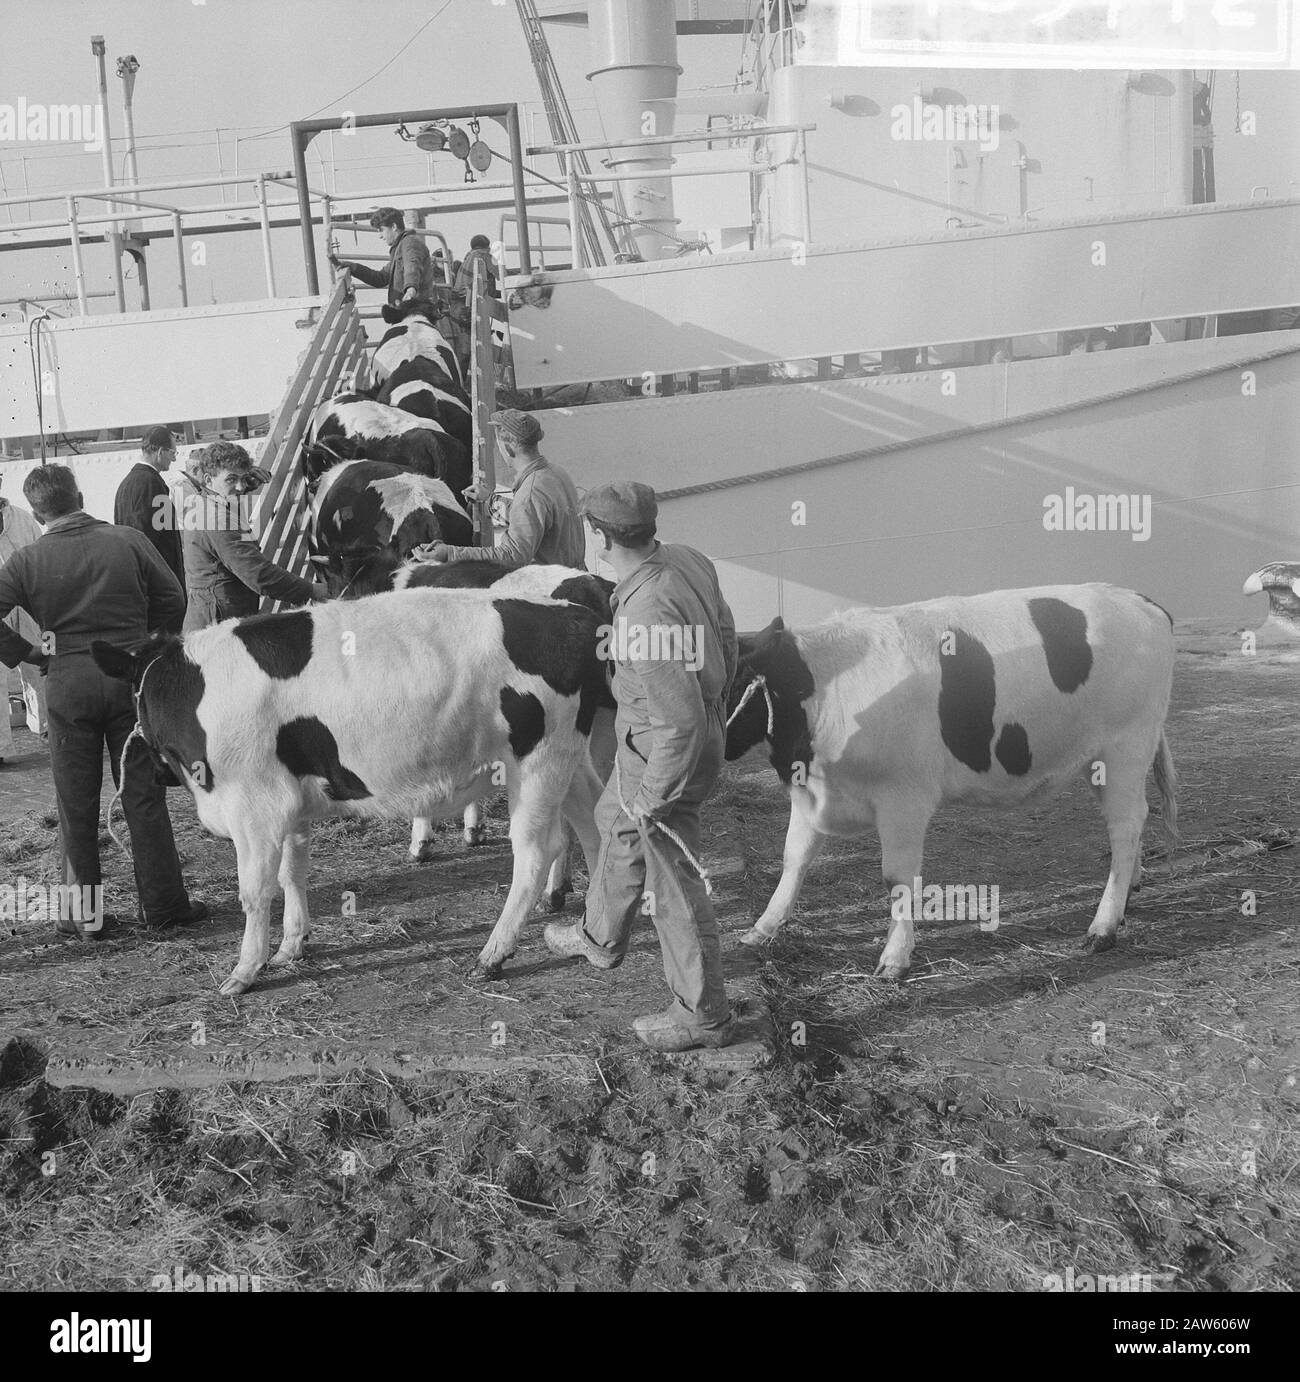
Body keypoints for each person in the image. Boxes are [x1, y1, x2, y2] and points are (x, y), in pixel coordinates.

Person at [543, 481, 739, 1052]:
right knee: (613, 819)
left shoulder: (647, 611)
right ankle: (600, 935)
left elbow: (677, 724)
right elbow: (725, 632)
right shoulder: (687, 560)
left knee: (673, 885)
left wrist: (656, 797)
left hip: (666, 750)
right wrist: (715, 693)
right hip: (663, 738)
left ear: (602, 535)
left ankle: (702, 1017)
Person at [0, 464, 207, 938]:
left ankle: (83, 917)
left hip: (67, 683)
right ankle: (164, 908)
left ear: (35, 510)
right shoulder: (128, 541)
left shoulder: (27, 559)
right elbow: (173, 597)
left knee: (74, 803)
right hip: (129, 679)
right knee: (143, 795)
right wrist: (145, 643)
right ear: (79, 493)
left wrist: (28, 652)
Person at [180, 442, 326, 632]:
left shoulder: (203, 502)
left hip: (211, 616)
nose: (240, 487)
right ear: (208, 479)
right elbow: (259, 574)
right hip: (217, 626)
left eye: (243, 479)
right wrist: (312, 590)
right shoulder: (216, 519)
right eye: (231, 479)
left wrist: (243, 482)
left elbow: (228, 490)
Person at [416, 409, 585, 570]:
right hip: (576, 576)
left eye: (499, 445)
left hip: (555, 589)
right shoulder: (555, 472)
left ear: (509, 449)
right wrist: (489, 501)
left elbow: (512, 556)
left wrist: (450, 553)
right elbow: (534, 517)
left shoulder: (530, 493)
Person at [0, 474, 45, 762]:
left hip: (25, 604)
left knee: (39, 670)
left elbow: (41, 559)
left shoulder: (22, 520)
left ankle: (47, 728)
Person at [113, 424, 186, 594]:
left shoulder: (129, 482)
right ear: (160, 452)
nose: (174, 459)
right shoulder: (151, 484)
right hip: (158, 586)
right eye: (172, 453)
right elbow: (150, 538)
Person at [328, 207, 439, 308]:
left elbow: (412, 267)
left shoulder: (409, 243)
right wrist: (354, 268)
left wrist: (411, 290)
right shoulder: (400, 248)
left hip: (415, 308)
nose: (380, 236)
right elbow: (380, 278)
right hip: (407, 307)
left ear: (394, 227)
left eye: (381, 230)